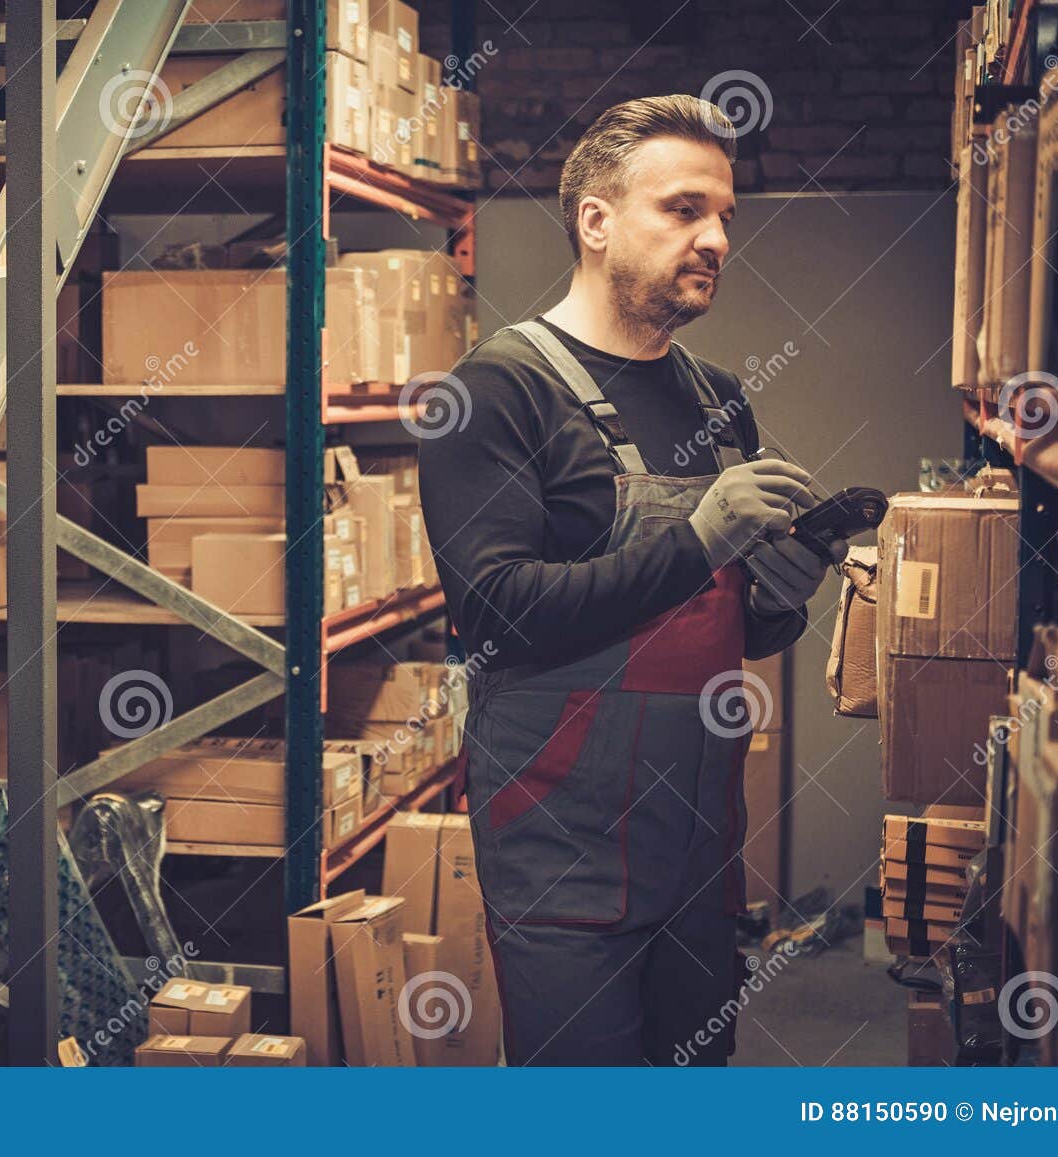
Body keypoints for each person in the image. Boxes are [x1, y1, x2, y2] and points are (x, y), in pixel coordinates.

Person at [418, 94, 842, 1066]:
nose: (716, 237)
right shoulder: (494, 390)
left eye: (726, 215)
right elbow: (496, 612)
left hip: (694, 845)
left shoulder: (717, 397)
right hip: (560, 851)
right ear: (595, 219)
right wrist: (697, 541)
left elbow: (737, 631)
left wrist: (783, 579)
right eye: (683, 209)